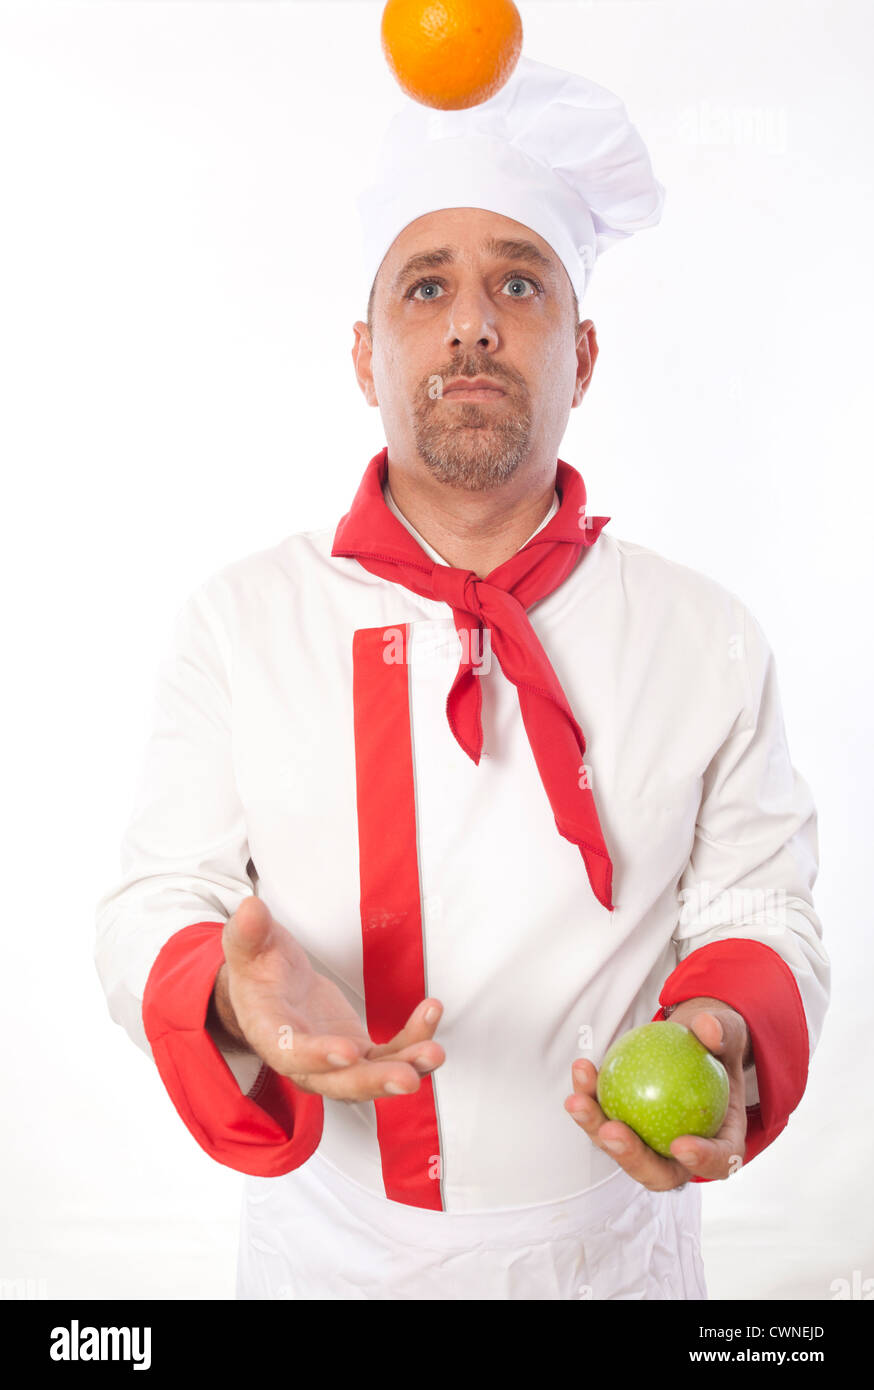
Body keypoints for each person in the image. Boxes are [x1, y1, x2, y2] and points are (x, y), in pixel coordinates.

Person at [94, 55, 829, 1300]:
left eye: (517, 283)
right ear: (364, 354)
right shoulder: (242, 621)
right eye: (425, 285)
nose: (472, 321)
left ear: (582, 354)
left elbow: (763, 912)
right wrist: (225, 982)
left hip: (617, 1260)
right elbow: (156, 897)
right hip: (328, 1261)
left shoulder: (704, 633)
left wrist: (719, 1033)